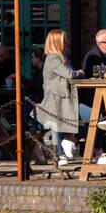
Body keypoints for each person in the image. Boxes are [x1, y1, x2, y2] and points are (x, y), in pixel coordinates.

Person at [36, 30, 80, 166]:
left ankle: (69, 141)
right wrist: (80, 72)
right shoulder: (53, 58)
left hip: (64, 99)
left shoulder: (62, 57)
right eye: (64, 40)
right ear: (57, 42)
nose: (67, 42)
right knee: (56, 125)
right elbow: (70, 74)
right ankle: (60, 154)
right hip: (55, 99)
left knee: (90, 116)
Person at [81, 29, 106, 166]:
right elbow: (93, 77)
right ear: (100, 43)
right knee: (99, 117)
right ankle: (99, 154)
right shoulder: (92, 56)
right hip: (92, 101)